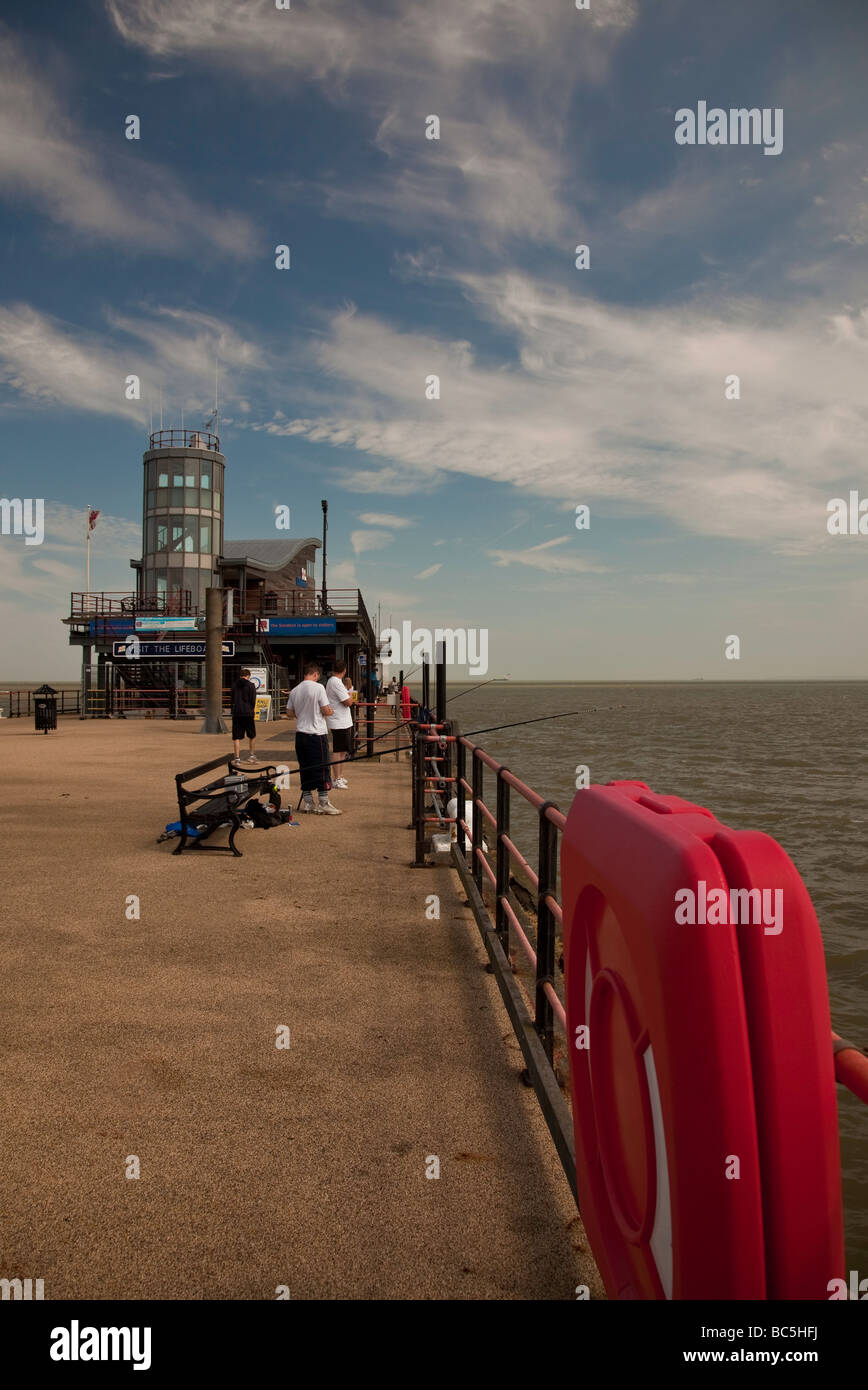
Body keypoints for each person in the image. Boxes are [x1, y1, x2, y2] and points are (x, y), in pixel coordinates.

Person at [286, 662, 342, 814]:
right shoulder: (319, 688)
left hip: (301, 735)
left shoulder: (295, 690)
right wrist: (329, 711)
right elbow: (325, 709)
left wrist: (302, 713)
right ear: (316, 674)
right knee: (323, 767)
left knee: (305, 768)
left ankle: (308, 802)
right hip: (316, 734)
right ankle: (323, 802)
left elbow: (289, 713)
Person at [325, 660, 354, 789]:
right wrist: (350, 695)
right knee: (338, 750)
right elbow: (348, 702)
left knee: (342, 750)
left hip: (341, 721)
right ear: (344, 670)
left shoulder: (334, 682)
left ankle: (339, 776)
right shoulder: (336, 682)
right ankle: (336, 778)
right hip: (339, 721)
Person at [231, 668, 258, 763]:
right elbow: (253, 700)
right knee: (252, 735)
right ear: (248, 676)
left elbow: (232, 699)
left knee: (236, 737)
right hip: (248, 713)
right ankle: (251, 755)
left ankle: (237, 758)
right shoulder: (251, 685)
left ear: (240, 676)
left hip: (237, 713)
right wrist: (251, 708)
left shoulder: (234, 685)